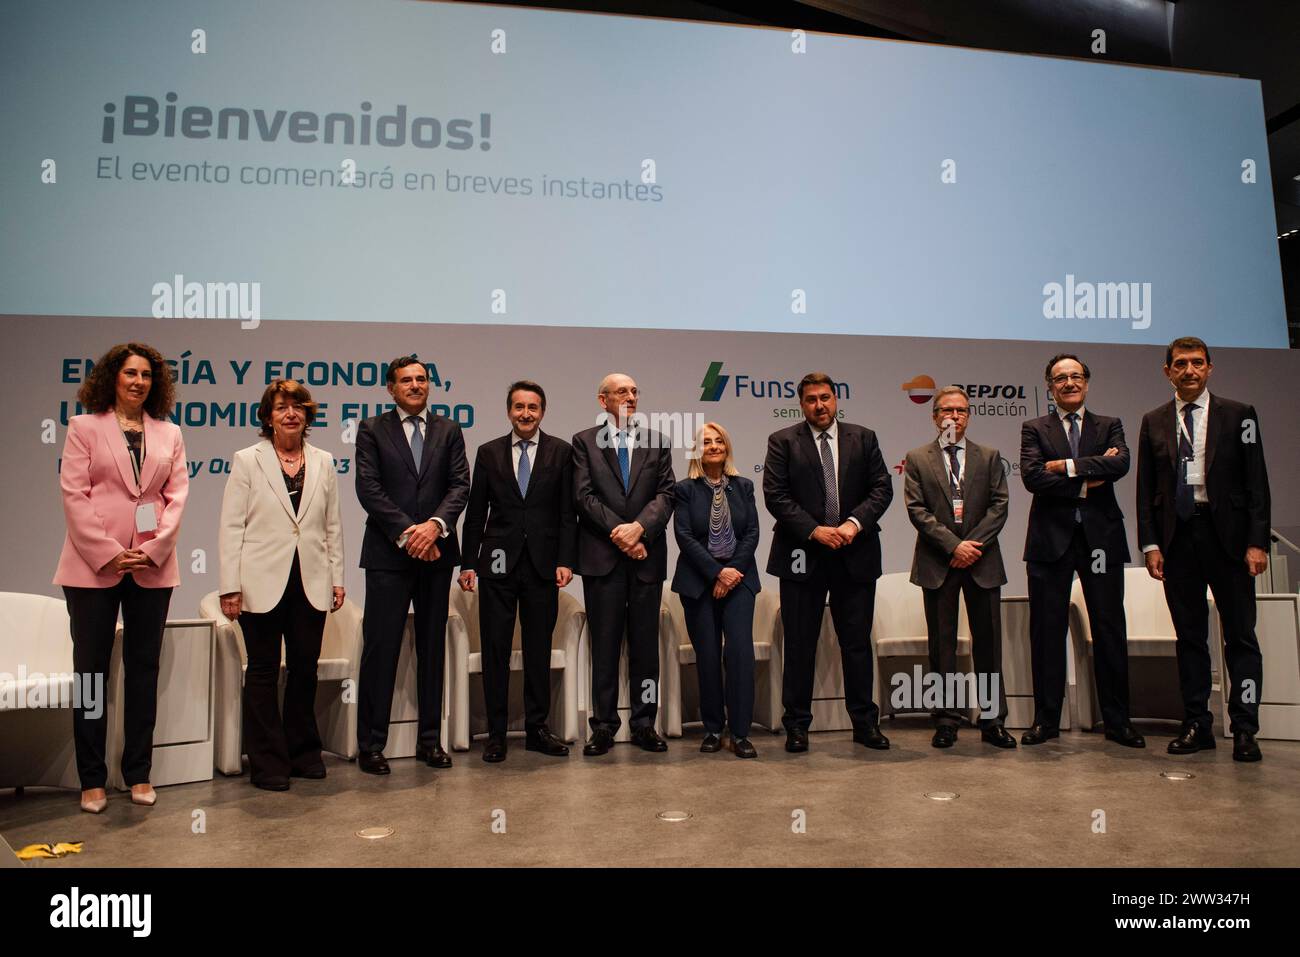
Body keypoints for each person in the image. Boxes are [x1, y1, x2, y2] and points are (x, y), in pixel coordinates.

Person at [54, 342, 189, 813]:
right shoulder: (84, 428)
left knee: (143, 671)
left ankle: (139, 773)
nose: (139, 381)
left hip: (152, 567)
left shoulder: (169, 432)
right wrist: (109, 553)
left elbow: (176, 496)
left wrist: (151, 551)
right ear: (113, 377)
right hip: (93, 568)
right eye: (130, 373)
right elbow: (75, 494)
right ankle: (91, 778)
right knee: (90, 675)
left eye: (147, 375)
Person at [1137, 337, 1270, 762]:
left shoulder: (1238, 415)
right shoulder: (1153, 420)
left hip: (1227, 538)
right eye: (1180, 364)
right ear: (1167, 371)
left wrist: (1256, 541)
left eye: (1197, 363)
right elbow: (1145, 491)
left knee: (1241, 637)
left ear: (1210, 368)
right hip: (1178, 540)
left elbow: (1257, 485)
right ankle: (1197, 723)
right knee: (1190, 637)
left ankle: (1246, 727)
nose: (1189, 370)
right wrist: (1151, 544)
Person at [218, 380, 345, 790]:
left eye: (297, 407)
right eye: (280, 407)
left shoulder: (324, 460)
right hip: (259, 581)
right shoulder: (247, 459)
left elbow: (332, 525)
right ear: (267, 416)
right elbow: (231, 526)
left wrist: (337, 578)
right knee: (262, 671)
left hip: (311, 581)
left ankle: (303, 752)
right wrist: (229, 585)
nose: (290, 413)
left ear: (308, 416)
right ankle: (268, 762)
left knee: (305, 671)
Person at [763, 372, 893, 753]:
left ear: (836, 399)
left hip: (856, 551)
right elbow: (776, 495)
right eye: (811, 400)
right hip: (803, 554)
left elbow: (882, 488)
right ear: (801, 404)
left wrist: (853, 524)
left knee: (856, 643)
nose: (819, 405)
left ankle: (865, 724)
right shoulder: (783, 441)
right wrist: (815, 530)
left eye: (825, 398)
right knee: (800, 643)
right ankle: (797, 726)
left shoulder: (863, 437)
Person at [1020, 355, 1144, 748]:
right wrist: (1089, 476)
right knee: (1046, 633)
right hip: (1050, 542)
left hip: (1101, 540)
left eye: (1076, 376)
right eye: (1061, 378)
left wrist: (1064, 467)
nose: (1069, 382)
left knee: (1109, 629)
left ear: (1087, 383)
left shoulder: (1109, 426)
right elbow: (1033, 477)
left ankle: (1117, 721)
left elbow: (1120, 465)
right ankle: (1046, 721)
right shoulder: (1033, 428)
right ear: (1049, 387)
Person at [354, 356, 470, 772]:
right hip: (389, 555)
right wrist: (410, 534)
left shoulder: (449, 430)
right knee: (381, 648)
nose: (416, 385)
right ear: (391, 388)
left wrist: (435, 527)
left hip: (437, 556)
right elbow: (368, 488)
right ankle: (371, 745)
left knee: (431, 649)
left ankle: (429, 741)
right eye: (407, 380)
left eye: (422, 379)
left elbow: (460, 485)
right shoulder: (371, 430)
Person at [458, 380, 575, 762]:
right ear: (509, 411)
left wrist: (565, 559)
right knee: (496, 649)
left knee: (538, 649)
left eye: (533, 407)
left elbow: (566, 514)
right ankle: (496, 734)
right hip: (496, 563)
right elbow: (476, 513)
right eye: (519, 407)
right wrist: (467, 563)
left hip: (542, 565)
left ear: (543, 411)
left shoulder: (561, 452)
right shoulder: (488, 452)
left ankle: (538, 729)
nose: (526, 414)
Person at [903, 387, 1014, 749]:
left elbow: (1000, 506)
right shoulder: (918, 458)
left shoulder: (989, 456)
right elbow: (917, 510)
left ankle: (993, 719)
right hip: (939, 562)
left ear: (969, 416)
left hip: (982, 561)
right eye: (947, 410)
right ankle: (946, 720)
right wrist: (953, 546)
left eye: (961, 410)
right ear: (935, 417)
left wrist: (971, 547)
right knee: (943, 647)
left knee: (989, 645)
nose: (954, 416)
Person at [572, 373, 675, 755]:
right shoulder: (583, 442)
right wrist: (622, 533)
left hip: (646, 558)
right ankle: (603, 726)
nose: (630, 396)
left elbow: (666, 494)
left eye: (634, 391)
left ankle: (645, 723)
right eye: (621, 392)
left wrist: (640, 529)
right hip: (603, 560)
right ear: (603, 400)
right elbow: (583, 496)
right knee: (605, 646)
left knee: (646, 649)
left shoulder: (658, 441)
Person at [671, 422, 761, 758]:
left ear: (727, 446)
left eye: (718, 440)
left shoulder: (744, 486)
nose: (713, 445)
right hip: (699, 584)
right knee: (707, 657)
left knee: (739, 655)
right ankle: (711, 729)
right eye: (705, 441)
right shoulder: (684, 489)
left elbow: (751, 532)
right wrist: (716, 574)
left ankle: (739, 733)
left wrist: (732, 573)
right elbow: (684, 536)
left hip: (740, 582)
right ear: (696, 449)